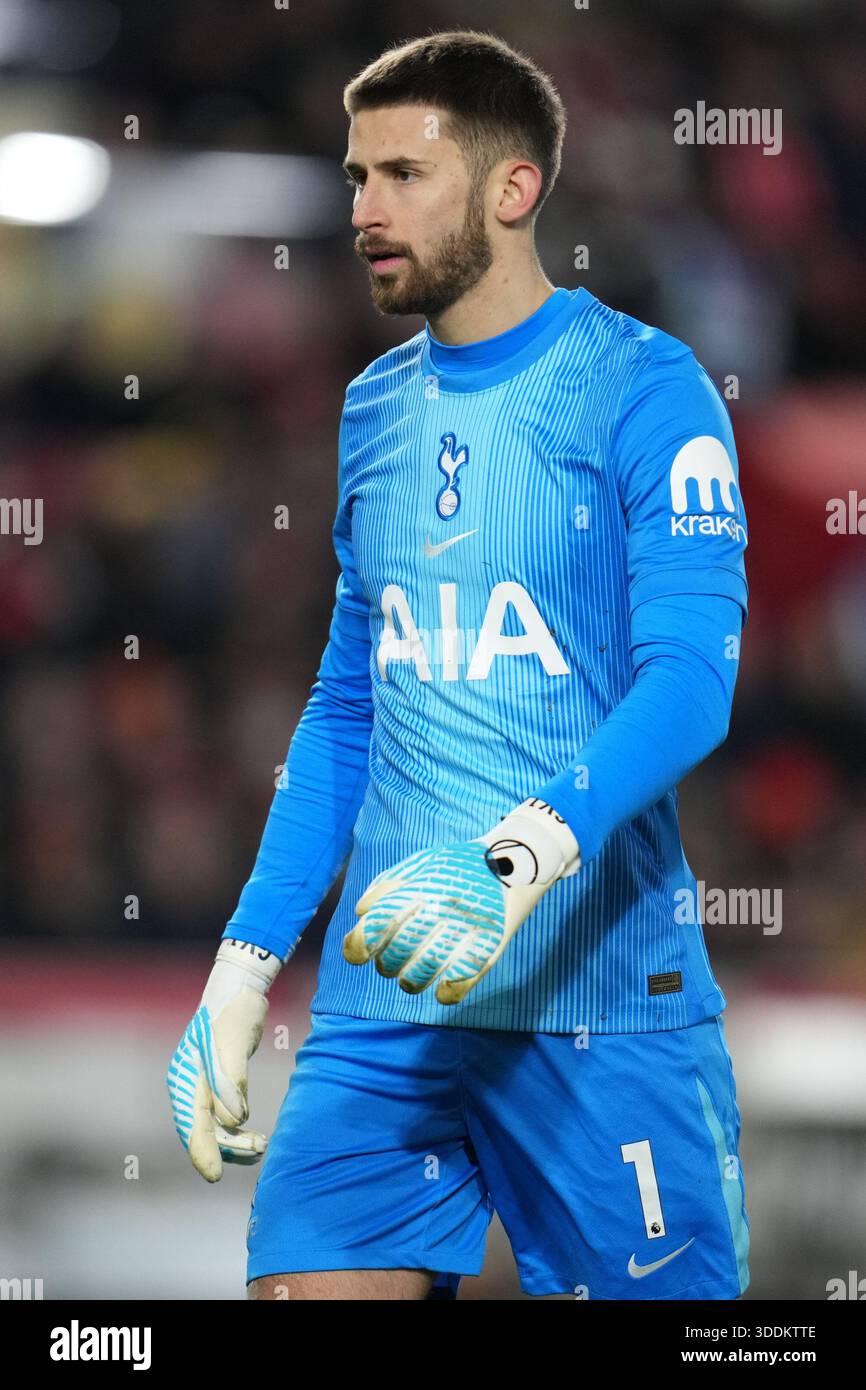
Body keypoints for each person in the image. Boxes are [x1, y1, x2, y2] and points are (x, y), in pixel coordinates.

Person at [167, 29, 750, 1302]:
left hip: (596, 998)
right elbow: (348, 701)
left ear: (511, 188)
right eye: (352, 178)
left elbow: (690, 682)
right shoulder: (371, 406)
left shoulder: (646, 390)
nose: (365, 210)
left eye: (401, 176)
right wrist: (244, 962)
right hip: (388, 1001)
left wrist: (513, 860)